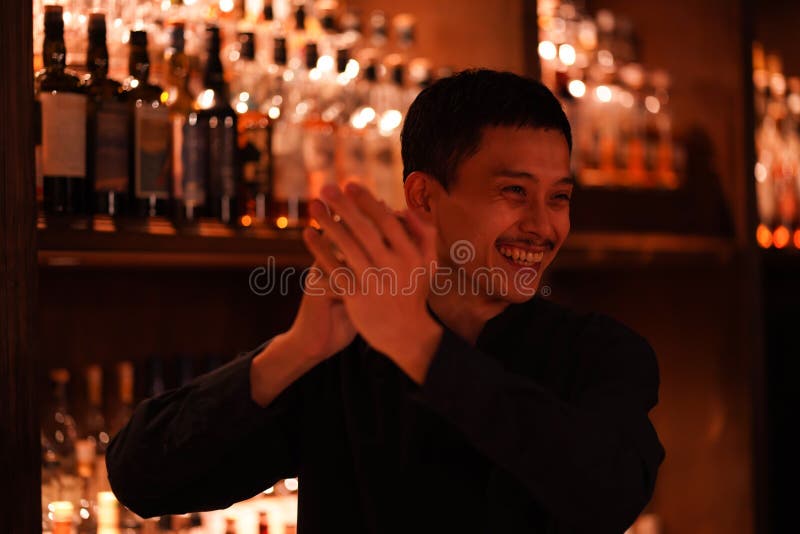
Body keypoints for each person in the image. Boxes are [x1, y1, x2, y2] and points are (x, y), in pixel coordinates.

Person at [106, 69, 665, 533]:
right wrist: (296, 350)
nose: (543, 226)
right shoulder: (341, 358)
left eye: (559, 198)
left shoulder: (600, 353)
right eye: (514, 192)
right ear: (423, 197)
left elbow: (606, 495)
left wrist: (419, 346)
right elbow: (143, 478)